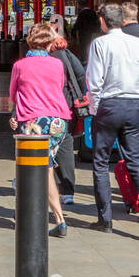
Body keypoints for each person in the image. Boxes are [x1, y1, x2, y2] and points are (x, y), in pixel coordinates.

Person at [85, 2, 139, 239]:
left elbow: (94, 81)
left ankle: (104, 219)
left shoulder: (100, 43)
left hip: (109, 105)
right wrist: (136, 90)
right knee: (135, 161)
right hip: (135, 105)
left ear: (103, 21)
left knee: (100, 162)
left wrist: (95, 107)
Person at [8, 22, 73, 238]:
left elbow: (13, 94)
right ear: (49, 42)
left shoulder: (20, 65)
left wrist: (16, 116)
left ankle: (47, 218)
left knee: (33, 169)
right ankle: (53, 218)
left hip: (33, 122)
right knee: (45, 166)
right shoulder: (57, 65)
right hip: (58, 122)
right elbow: (59, 87)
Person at [51, 32, 87, 205]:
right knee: (66, 146)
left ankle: (38, 183)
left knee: (45, 145)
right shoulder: (66, 54)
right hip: (68, 105)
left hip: (50, 106)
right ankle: (67, 191)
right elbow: (80, 75)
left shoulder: (44, 57)